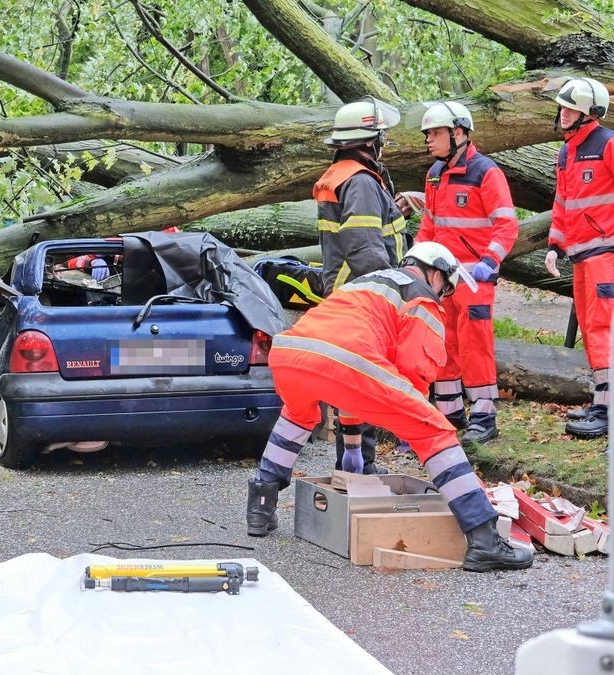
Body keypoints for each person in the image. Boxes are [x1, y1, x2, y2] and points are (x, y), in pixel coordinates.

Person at [245, 242, 532, 572]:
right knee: (434, 430)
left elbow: (356, 384)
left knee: (297, 416)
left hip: (291, 354)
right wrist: (413, 420)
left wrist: (353, 448)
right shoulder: (421, 297)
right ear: (435, 273)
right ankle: (484, 539)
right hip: (345, 361)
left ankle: (260, 509)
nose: (444, 296)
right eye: (446, 288)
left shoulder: (368, 282)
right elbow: (412, 371)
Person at [413, 102, 519, 445]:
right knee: (443, 343)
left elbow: (506, 225)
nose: (430, 139)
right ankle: (449, 411)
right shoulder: (434, 174)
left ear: (458, 132)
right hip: (442, 280)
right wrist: (416, 261)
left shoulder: (487, 173)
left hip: (474, 277)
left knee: (475, 346)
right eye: (428, 134)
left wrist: (489, 262)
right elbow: (429, 225)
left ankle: (484, 414)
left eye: (435, 133)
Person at [314, 97, 408, 475]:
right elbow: (364, 246)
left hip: (345, 292)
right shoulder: (362, 183)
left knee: (349, 383)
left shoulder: (345, 176)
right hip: (363, 294)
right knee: (361, 384)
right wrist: (393, 288)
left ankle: (352, 464)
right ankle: (360, 466)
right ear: (370, 141)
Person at [545, 77, 614, 439]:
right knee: (590, 329)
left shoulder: (608, 144)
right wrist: (555, 245)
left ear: (589, 112)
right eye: (562, 107)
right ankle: (601, 401)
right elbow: (563, 203)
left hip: (606, 253)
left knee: (604, 329)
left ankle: (607, 409)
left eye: (570, 107)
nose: (563, 113)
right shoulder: (566, 152)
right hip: (581, 255)